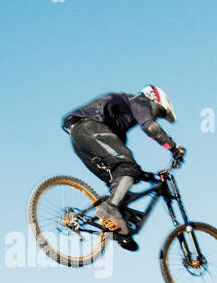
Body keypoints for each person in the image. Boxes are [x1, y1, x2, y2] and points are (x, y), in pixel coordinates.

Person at [61, 86, 186, 243]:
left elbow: (122, 158)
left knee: (121, 185)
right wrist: (173, 148)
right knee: (126, 167)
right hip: (89, 128)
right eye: (159, 111)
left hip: (80, 138)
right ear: (152, 98)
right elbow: (150, 127)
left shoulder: (119, 123)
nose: (156, 116)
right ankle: (109, 209)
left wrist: (144, 175)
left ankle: (119, 231)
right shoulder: (139, 101)